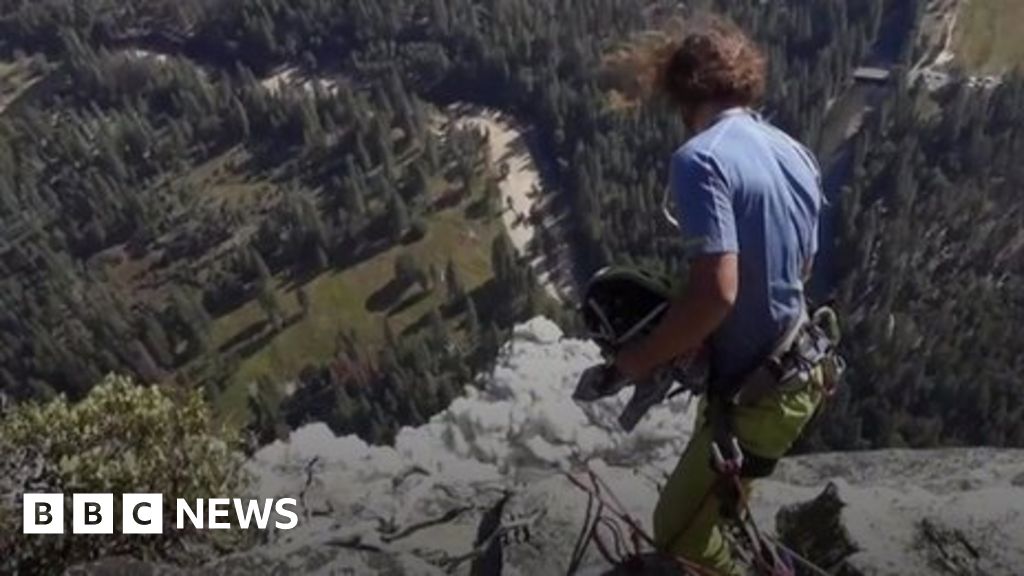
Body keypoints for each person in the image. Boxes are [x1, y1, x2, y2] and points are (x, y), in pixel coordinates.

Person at [612, 16, 827, 576]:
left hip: (756, 392)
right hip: (796, 370)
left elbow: (716, 293)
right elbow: (800, 267)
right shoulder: (795, 152)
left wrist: (642, 359)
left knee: (677, 533)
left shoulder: (700, 159)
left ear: (681, 93)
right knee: (723, 505)